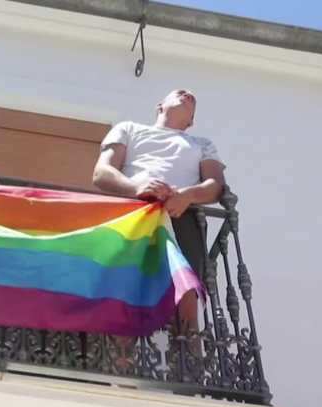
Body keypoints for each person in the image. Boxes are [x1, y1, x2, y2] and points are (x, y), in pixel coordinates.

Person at [92, 89, 226, 345]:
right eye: (179, 93)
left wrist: (186, 196)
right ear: (160, 106)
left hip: (182, 218)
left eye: (192, 100)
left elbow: (216, 186)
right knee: (126, 290)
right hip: (135, 213)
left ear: (191, 122)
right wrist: (136, 188)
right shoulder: (128, 129)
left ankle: (189, 378)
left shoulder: (202, 144)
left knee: (185, 295)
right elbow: (101, 172)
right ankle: (121, 377)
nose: (187, 94)